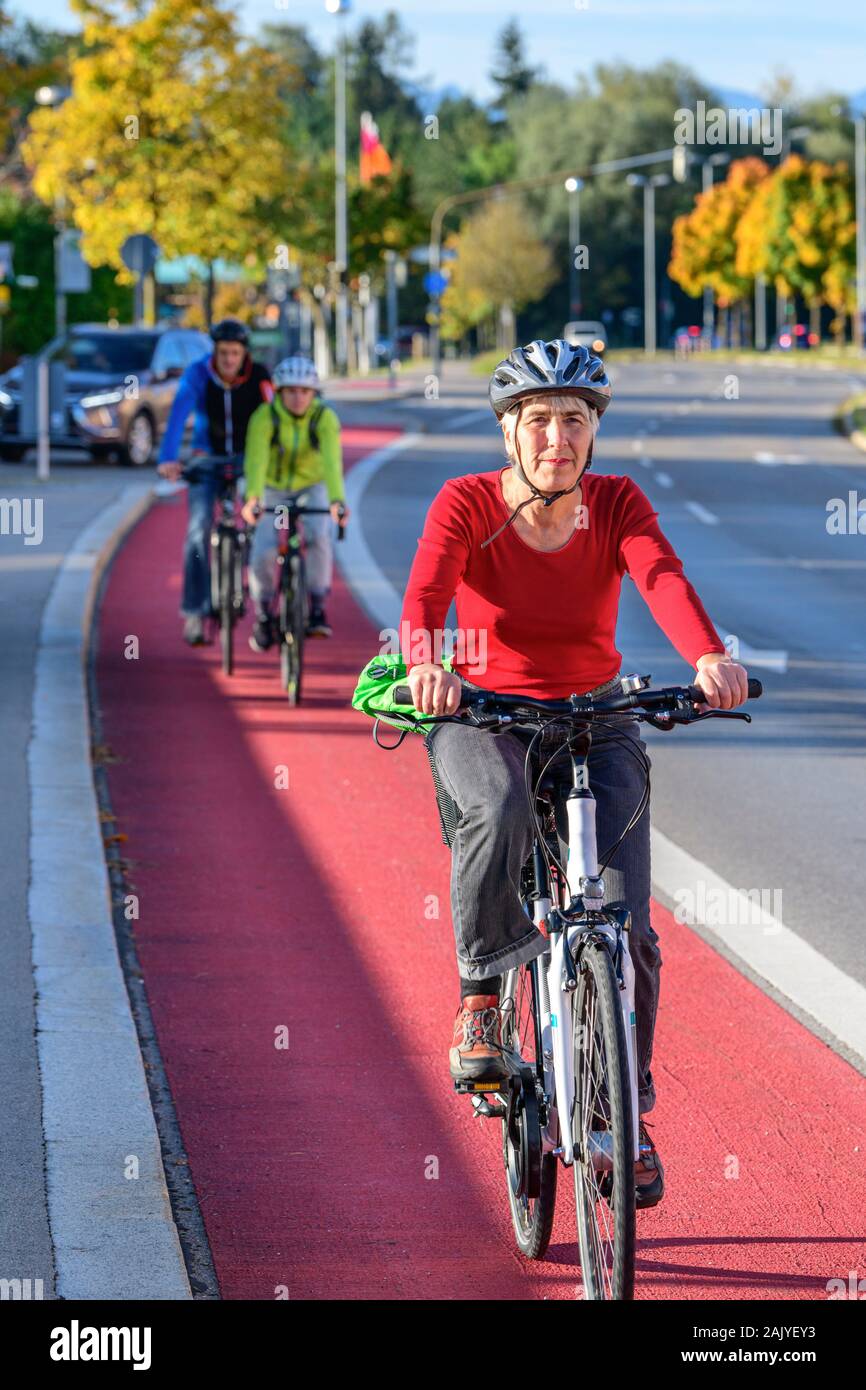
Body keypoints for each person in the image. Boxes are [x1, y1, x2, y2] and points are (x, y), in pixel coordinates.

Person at [399, 338, 749, 1208]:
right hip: (483, 710)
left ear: (594, 433)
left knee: (629, 930)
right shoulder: (466, 501)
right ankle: (482, 994)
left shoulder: (616, 503)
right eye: (542, 419)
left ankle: (621, 1114)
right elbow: (425, 598)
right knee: (502, 802)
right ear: (510, 430)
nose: (559, 436)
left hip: (594, 713)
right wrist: (427, 666)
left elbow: (660, 574)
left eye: (577, 420)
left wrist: (707, 655)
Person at [156, 319, 273, 645]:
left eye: (235, 353)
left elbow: (276, 417)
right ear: (214, 352)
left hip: (249, 460)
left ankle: (254, 578)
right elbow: (179, 414)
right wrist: (168, 457)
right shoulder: (197, 373)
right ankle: (194, 611)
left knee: (257, 517)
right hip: (206, 457)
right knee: (197, 530)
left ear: (244, 353)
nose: (229, 360)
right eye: (223, 353)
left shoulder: (261, 376)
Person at [241, 355, 348, 649]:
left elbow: (331, 463)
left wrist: (338, 501)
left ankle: (316, 607)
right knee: (263, 547)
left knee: (318, 535)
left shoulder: (324, 418)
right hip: (271, 488)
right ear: (279, 392)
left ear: (314, 393)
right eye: (291, 391)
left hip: (311, 486)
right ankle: (263, 615)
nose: (298, 398)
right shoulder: (264, 417)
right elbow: (256, 461)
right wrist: (253, 499)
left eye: (304, 391)